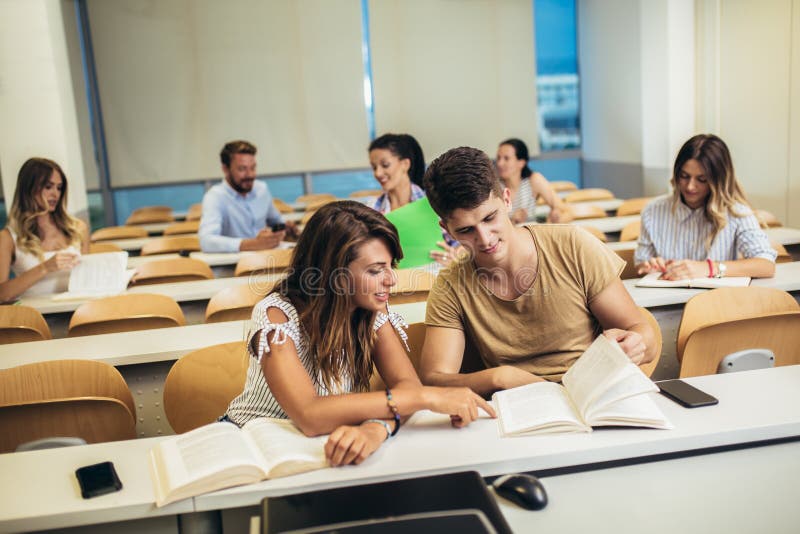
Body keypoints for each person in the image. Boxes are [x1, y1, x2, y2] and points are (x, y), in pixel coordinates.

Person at [224, 201, 494, 466]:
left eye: (391, 266)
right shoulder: (277, 314)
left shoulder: (370, 308)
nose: (391, 280)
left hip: (325, 442)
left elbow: (406, 387)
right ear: (335, 275)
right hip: (255, 446)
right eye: (376, 270)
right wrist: (426, 396)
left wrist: (375, 429)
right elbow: (310, 415)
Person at [418, 147, 655, 396]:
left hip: (592, 395)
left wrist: (637, 345)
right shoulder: (450, 285)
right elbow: (435, 379)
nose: (485, 238)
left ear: (507, 199)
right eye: (466, 230)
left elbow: (642, 334)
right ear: (446, 228)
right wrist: (500, 377)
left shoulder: (573, 246)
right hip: (519, 408)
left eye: (490, 218)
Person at [635, 134, 776, 280]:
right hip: (667, 299)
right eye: (684, 176)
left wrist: (710, 268)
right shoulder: (653, 211)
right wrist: (650, 267)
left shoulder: (736, 213)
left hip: (718, 300)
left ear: (718, 181)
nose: (690, 186)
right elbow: (640, 266)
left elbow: (766, 265)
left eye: (702, 179)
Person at [0, 157, 89, 302]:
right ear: (29, 189)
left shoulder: (78, 228)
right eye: (48, 187)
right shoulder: (7, 237)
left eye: (59, 188)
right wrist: (45, 268)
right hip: (36, 320)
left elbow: (87, 278)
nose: (55, 194)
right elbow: (2, 294)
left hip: (77, 313)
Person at [368, 133, 461, 264]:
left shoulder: (434, 203)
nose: (377, 173)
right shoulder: (371, 209)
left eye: (385, 165)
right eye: (374, 167)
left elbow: (461, 243)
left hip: (436, 276)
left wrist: (455, 256)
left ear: (405, 164)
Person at [198, 140, 295, 253]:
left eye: (253, 168)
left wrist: (287, 228)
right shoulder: (215, 197)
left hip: (266, 260)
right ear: (225, 169)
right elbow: (206, 241)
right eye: (242, 169)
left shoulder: (261, 189)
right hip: (233, 266)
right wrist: (252, 244)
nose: (250, 175)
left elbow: (276, 221)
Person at [495, 138, 571, 224]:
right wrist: (513, 221)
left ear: (521, 163)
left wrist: (557, 217)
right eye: (498, 158)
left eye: (506, 158)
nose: (499, 163)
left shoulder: (534, 180)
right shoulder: (494, 186)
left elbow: (567, 212)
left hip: (531, 235)